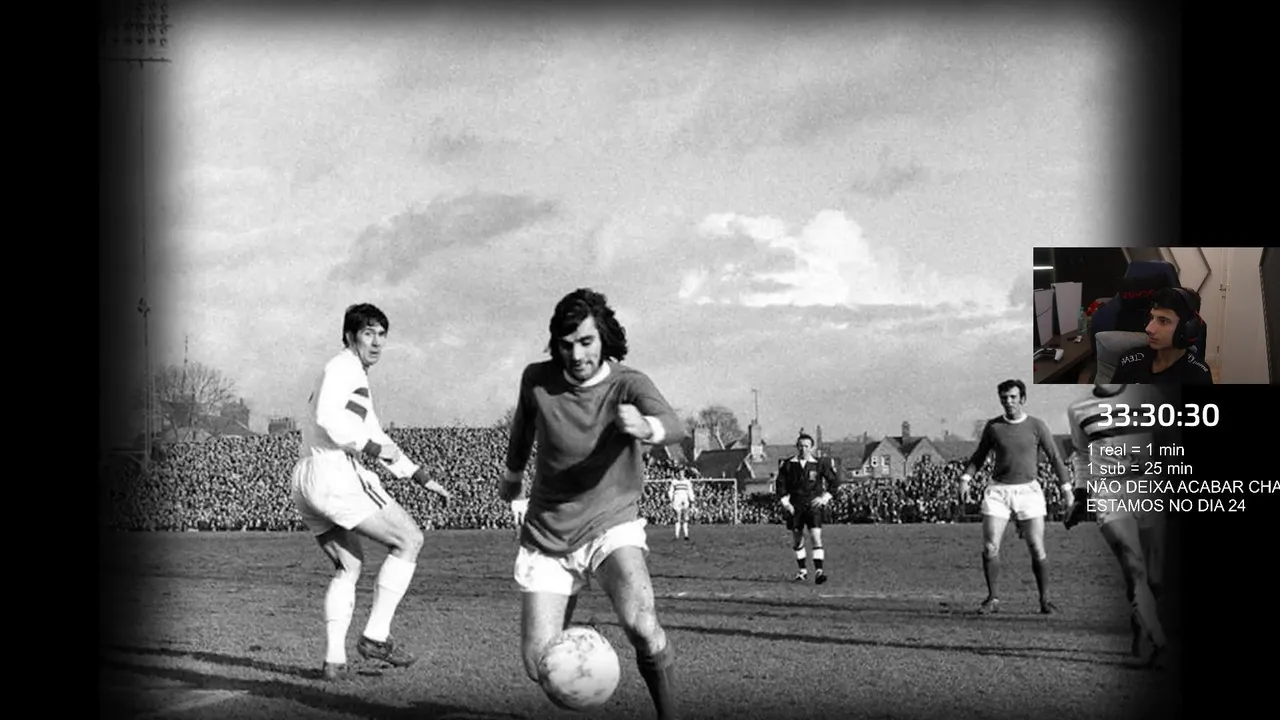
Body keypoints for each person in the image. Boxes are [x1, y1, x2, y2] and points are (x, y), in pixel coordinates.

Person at [498, 288, 685, 719]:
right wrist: (512, 475)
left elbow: (673, 424)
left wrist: (646, 426)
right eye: (566, 345)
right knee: (541, 664)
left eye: (586, 342)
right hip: (547, 532)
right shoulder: (536, 379)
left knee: (641, 623)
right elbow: (523, 428)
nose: (577, 354)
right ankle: (589, 663)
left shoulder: (628, 384)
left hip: (610, 523)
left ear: (604, 338)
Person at [289, 303, 452, 681]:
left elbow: (374, 433)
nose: (377, 342)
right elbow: (331, 420)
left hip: (306, 478)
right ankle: (376, 636)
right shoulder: (343, 368)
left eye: (382, 334)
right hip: (333, 473)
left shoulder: (352, 375)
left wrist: (419, 476)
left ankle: (334, 661)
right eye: (368, 333)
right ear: (350, 336)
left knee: (349, 565)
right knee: (410, 539)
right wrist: (374, 450)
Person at [1063, 382, 1171, 667]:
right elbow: (1082, 456)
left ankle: (1140, 628)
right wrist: (1080, 497)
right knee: (1134, 566)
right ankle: (1159, 642)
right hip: (1107, 492)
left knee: (1155, 578)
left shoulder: (1148, 394)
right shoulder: (1078, 409)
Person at [959, 379, 1071, 615]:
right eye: (1004, 398)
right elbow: (979, 456)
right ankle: (993, 598)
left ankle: (1044, 600)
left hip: (1028, 492)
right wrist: (965, 479)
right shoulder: (994, 427)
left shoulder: (1037, 426)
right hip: (998, 491)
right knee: (990, 546)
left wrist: (1067, 489)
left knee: (1036, 547)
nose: (1008, 402)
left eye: (1013, 397)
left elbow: (1054, 457)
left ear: (1023, 399)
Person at [1111, 287, 1214, 384]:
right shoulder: (1129, 361)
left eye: (1163, 321)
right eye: (1151, 318)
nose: (1149, 329)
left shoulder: (1198, 375)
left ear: (1188, 329)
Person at [776, 432, 841, 584]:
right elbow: (780, 485)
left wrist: (824, 498)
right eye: (800, 446)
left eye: (806, 446)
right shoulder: (788, 464)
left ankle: (819, 572)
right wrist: (786, 503)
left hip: (813, 506)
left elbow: (834, 482)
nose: (803, 449)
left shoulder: (819, 464)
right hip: (795, 507)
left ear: (812, 448)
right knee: (797, 540)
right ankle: (802, 571)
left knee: (815, 537)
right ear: (796, 447)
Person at [668, 470, 696, 541]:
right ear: (677, 474)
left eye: (682, 473)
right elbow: (670, 491)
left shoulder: (687, 482)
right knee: (678, 517)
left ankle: (686, 535)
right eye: (680, 473)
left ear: (684, 474)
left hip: (685, 500)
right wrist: (671, 499)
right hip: (676, 501)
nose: (681, 475)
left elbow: (690, 491)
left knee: (685, 518)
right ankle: (676, 535)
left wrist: (692, 500)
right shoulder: (674, 482)